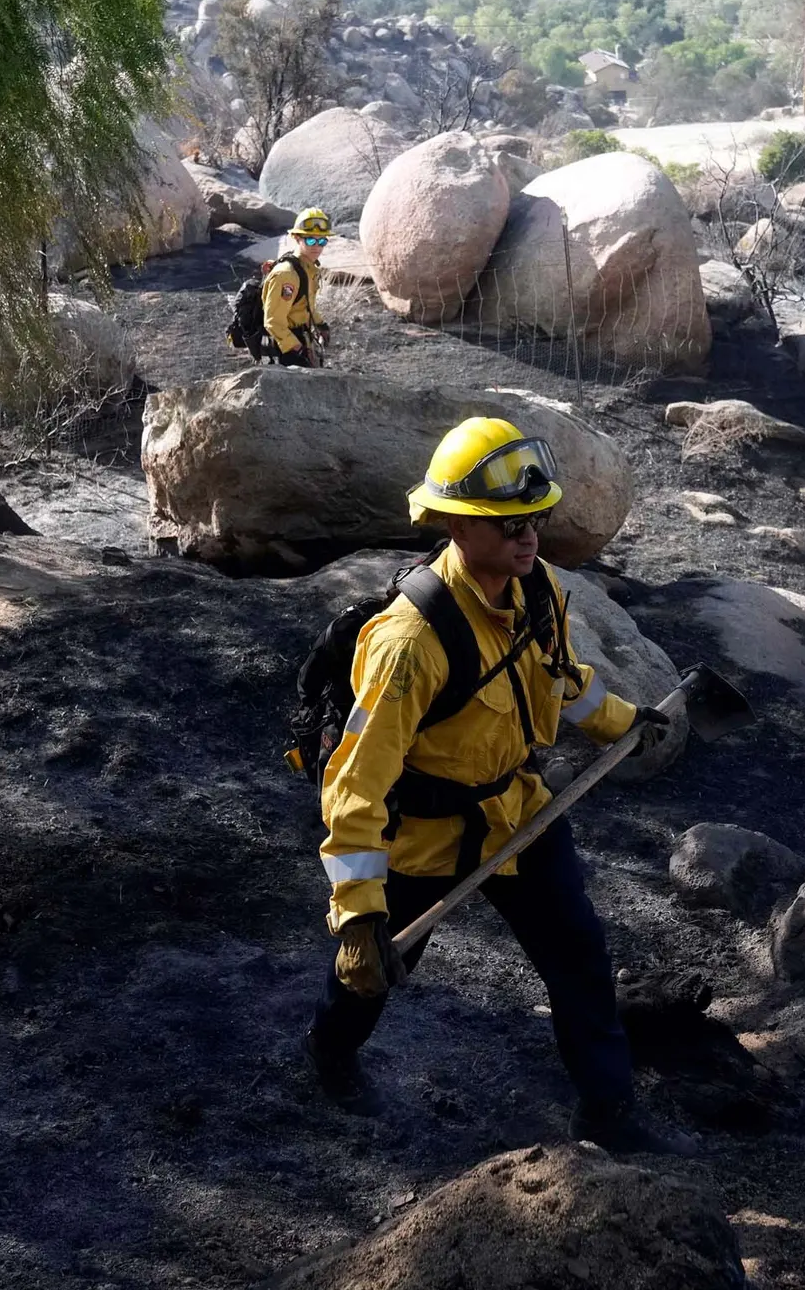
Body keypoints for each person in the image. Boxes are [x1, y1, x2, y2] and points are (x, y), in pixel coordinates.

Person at [305, 417, 692, 1155]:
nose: (529, 536)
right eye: (509, 523)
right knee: (374, 973)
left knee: (578, 954)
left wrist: (619, 721)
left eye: (537, 519)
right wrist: (357, 917)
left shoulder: (536, 588)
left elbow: (555, 679)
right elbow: (354, 787)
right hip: (426, 838)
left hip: (521, 814)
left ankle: (609, 1113)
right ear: (455, 523)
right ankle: (329, 1050)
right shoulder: (410, 644)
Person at [263, 207, 331, 366]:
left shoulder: (308, 268)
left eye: (322, 241)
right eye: (310, 240)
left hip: (301, 336)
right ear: (296, 238)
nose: (317, 246)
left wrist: (321, 324)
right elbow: (273, 321)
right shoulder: (287, 275)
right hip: (284, 346)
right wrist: (297, 348)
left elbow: (306, 304)